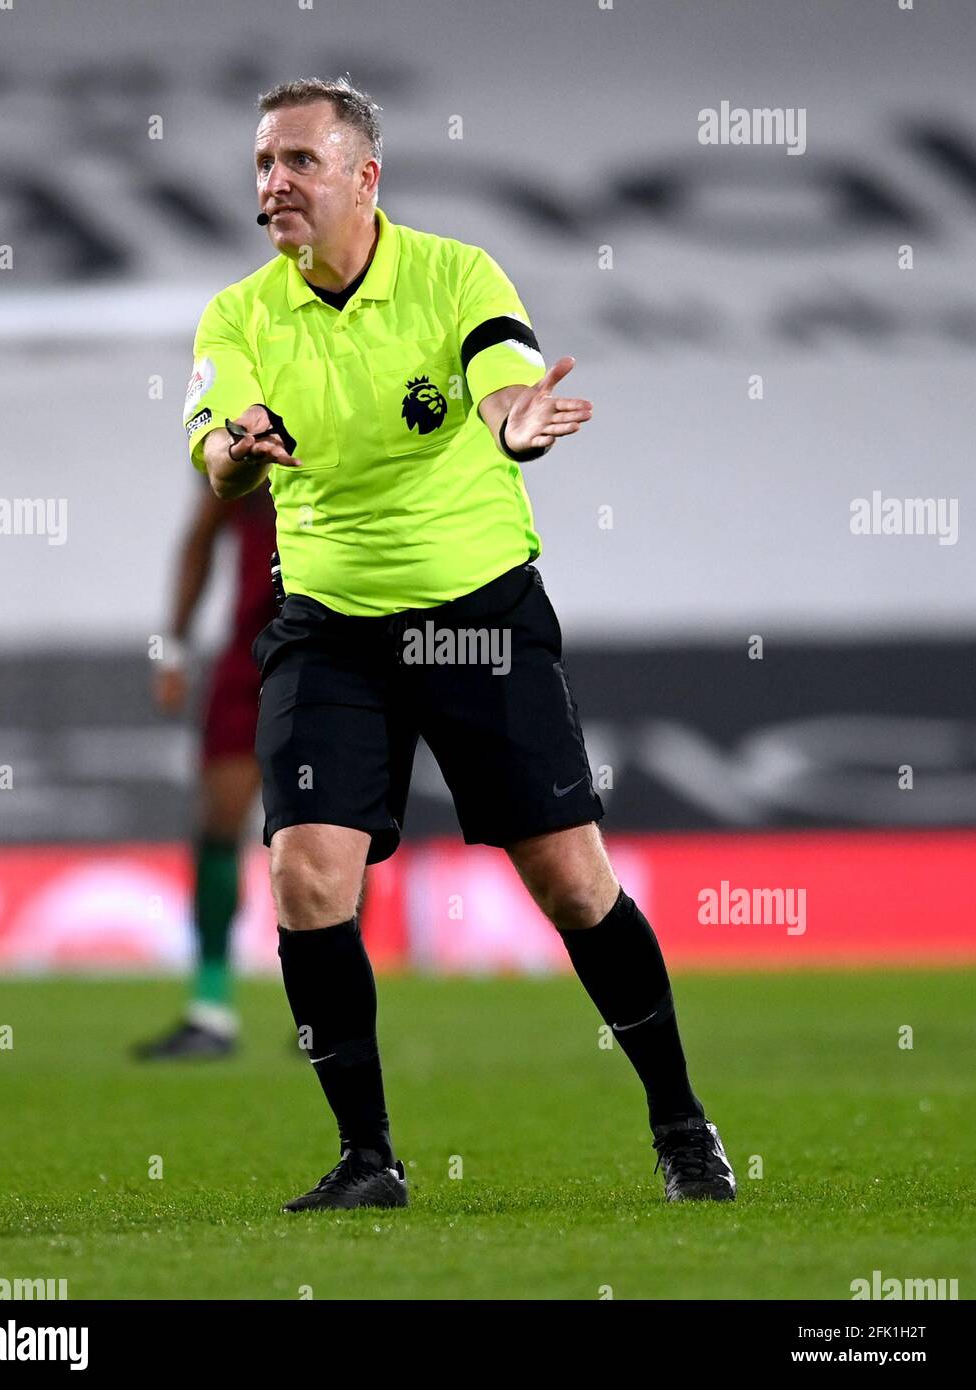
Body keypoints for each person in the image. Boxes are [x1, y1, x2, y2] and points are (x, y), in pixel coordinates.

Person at [182, 75, 736, 1207]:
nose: (274, 183)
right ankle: (368, 1157)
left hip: (475, 620)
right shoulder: (239, 315)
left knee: (573, 885)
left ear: (364, 177)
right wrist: (237, 450)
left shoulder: (456, 273)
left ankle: (681, 1124)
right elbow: (213, 451)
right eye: (261, 164)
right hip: (329, 630)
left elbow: (501, 372)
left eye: (298, 161)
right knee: (304, 875)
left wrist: (515, 419)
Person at [133, 485, 277, 1059]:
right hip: (253, 656)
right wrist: (174, 648)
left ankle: (332, 1013)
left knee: (343, 829)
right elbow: (200, 538)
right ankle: (211, 1010)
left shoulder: (357, 426)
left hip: (336, 652)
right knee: (219, 824)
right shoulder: (250, 440)